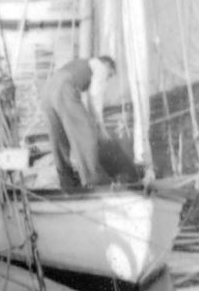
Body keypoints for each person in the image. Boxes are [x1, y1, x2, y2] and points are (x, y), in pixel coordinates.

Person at [40, 54, 133, 191]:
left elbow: (88, 99)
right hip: (63, 89)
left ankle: (67, 183)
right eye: (109, 75)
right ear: (107, 65)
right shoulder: (101, 67)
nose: (107, 79)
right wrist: (100, 126)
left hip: (47, 91)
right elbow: (95, 95)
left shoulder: (83, 64)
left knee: (59, 140)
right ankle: (93, 181)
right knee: (86, 135)